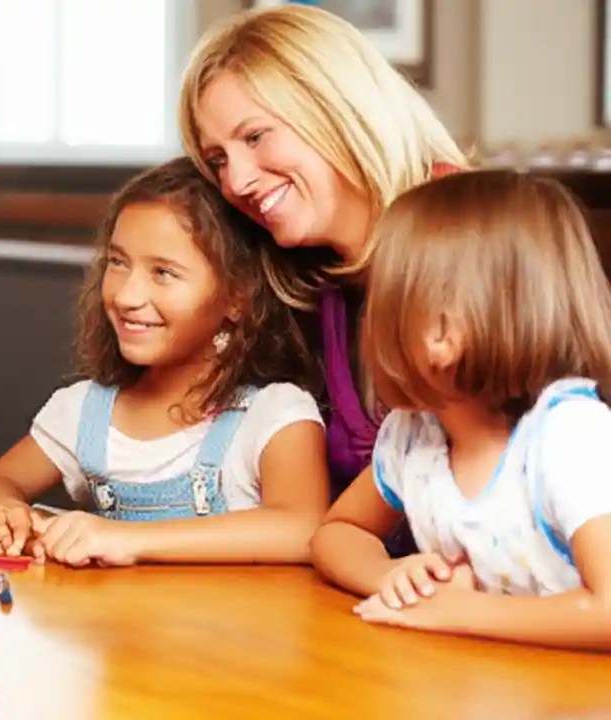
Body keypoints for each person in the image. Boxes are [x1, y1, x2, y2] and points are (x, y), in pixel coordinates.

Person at [0, 158, 329, 568]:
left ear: (238, 297)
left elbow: (304, 528)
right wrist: (6, 511)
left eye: (163, 273)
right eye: (118, 263)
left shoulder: (274, 414)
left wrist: (127, 539)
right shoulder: (84, 410)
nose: (126, 296)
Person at [309, 171, 611, 652]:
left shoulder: (569, 437)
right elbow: (338, 531)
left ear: (442, 335)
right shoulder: (414, 434)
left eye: (379, 300)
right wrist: (390, 574)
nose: (367, 322)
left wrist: (464, 613)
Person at [178, 3, 466, 502]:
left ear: (333, 106)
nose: (237, 181)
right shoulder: (314, 275)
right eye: (218, 160)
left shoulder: (468, 236)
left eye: (255, 136)